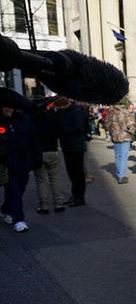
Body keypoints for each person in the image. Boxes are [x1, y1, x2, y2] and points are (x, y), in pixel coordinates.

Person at [0, 88, 41, 232]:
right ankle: (19, 219)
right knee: (14, 190)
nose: (7, 109)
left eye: (9, 106)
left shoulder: (24, 121)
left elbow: (33, 140)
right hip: (6, 163)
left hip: (23, 162)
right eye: (4, 106)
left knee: (20, 188)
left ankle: (6, 209)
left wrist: (37, 158)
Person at [48, 97, 90, 207]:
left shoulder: (76, 111)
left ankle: (79, 198)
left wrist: (62, 129)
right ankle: (75, 195)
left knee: (78, 173)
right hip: (67, 145)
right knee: (71, 173)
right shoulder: (62, 112)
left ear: (63, 105)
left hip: (76, 146)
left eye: (60, 107)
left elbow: (79, 127)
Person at [32, 101, 66, 212]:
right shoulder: (53, 119)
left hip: (38, 152)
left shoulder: (32, 121)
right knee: (54, 178)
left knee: (41, 180)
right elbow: (61, 132)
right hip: (52, 150)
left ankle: (44, 205)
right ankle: (59, 203)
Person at [106, 98, 136, 184]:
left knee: (118, 156)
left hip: (115, 136)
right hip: (125, 136)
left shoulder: (111, 112)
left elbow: (107, 124)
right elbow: (131, 125)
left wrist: (112, 132)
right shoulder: (126, 112)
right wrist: (132, 134)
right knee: (123, 156)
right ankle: (121, 175)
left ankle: (119, 173)